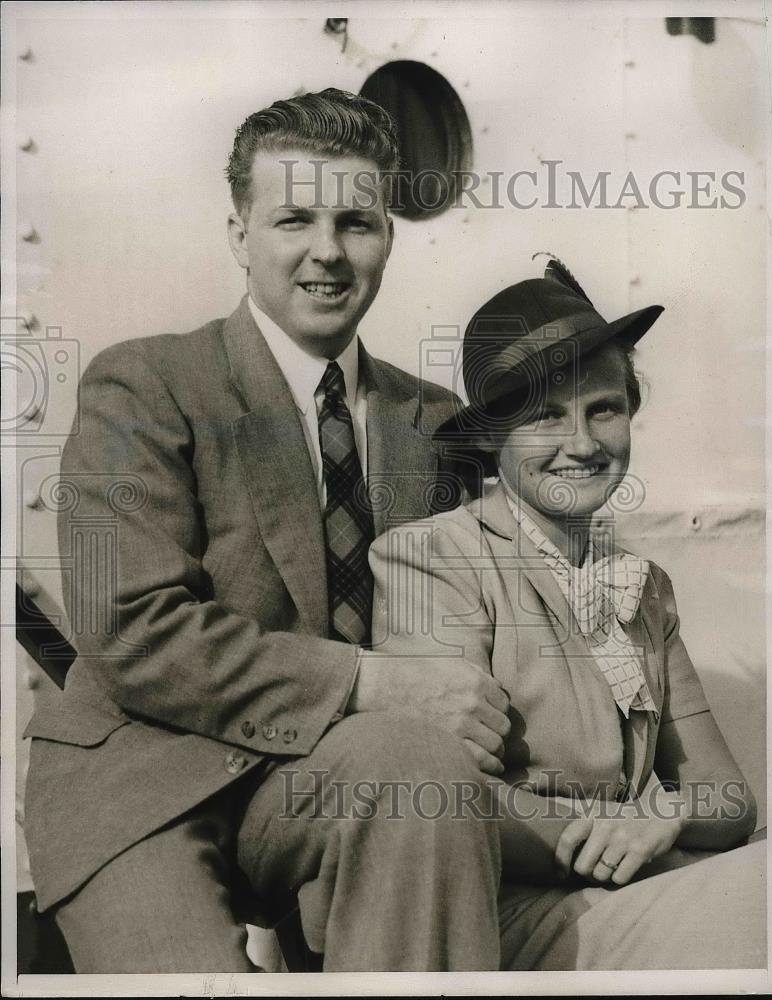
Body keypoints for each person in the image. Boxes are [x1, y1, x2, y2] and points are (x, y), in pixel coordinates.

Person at [22, 89, 513, 973]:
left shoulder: (435, 423)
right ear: (240, 234)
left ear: (388, 238)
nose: (327, 251)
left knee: (418, 765)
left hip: (332, 777)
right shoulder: (141, 384)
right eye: (293, 218)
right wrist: (371, 683)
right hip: (144, 778)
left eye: (357, 221)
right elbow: (127, 629)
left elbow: (471, 628)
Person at [369, 258, 766, 970]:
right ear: (490, 437)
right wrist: (627, 835)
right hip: (514, 915)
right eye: (546, 415)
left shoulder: (644, 587)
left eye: (603, 408)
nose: (582, 444)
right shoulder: (434, 558)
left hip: (647, 886)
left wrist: (668, 812)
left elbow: (729, 796)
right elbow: (444, 802)